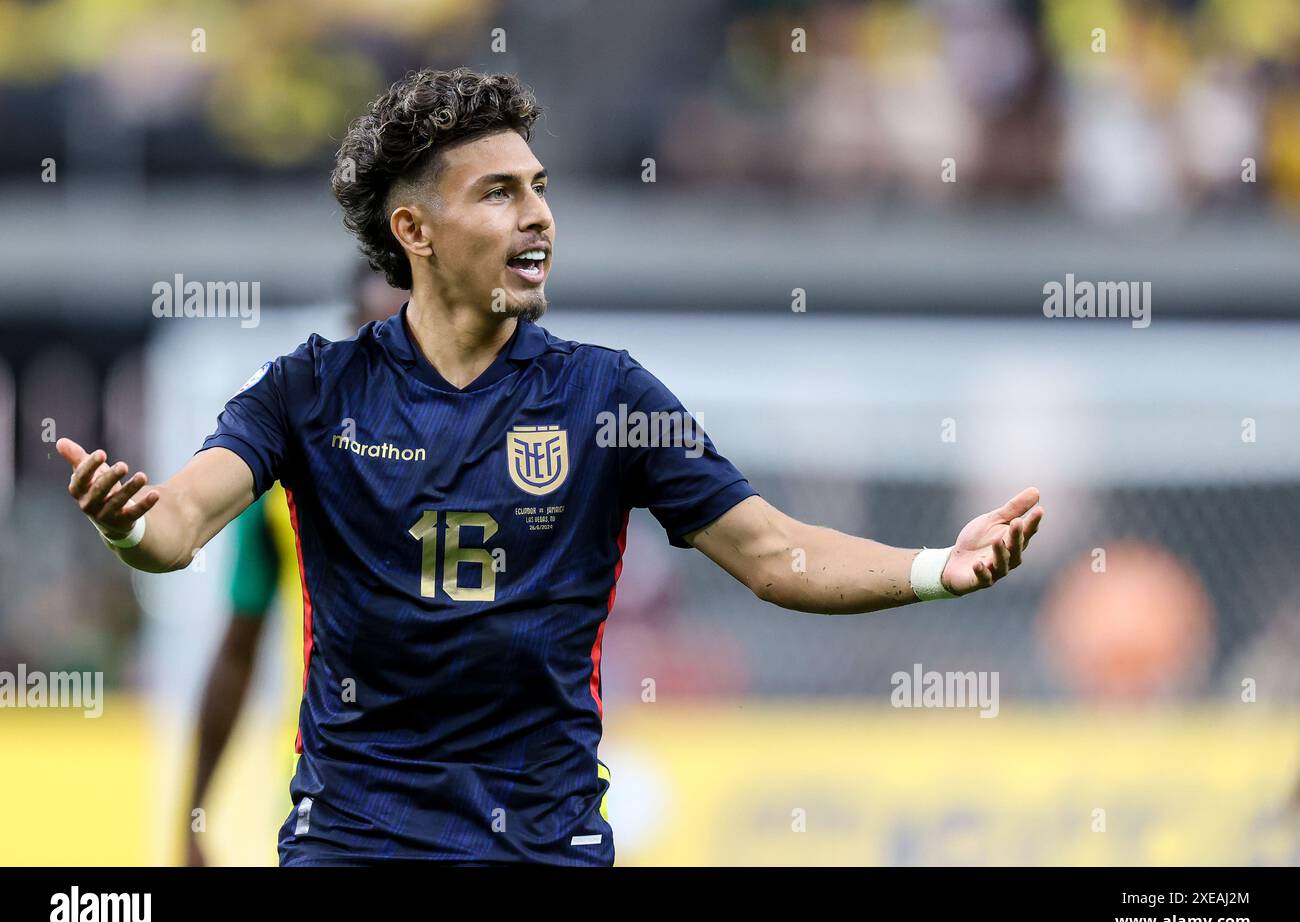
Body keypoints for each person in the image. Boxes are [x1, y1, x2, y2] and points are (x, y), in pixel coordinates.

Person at [58, 67, 1043, 865]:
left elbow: (772, 551)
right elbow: (178, 524)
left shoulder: (608, 395)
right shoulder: (308, 389)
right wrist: (127, 523)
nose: (539, 217)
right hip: (353, 840)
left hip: (543, 841)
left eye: (540, 188)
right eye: (500, 192)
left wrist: (932, 568)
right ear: (416, 233)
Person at [183, 262, 407, 866]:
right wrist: (194, 813)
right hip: (331, 794)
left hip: (482, 798)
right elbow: (237, 647)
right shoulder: (291, 483)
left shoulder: (496, 460)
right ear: (351, 334)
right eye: (377, 334)